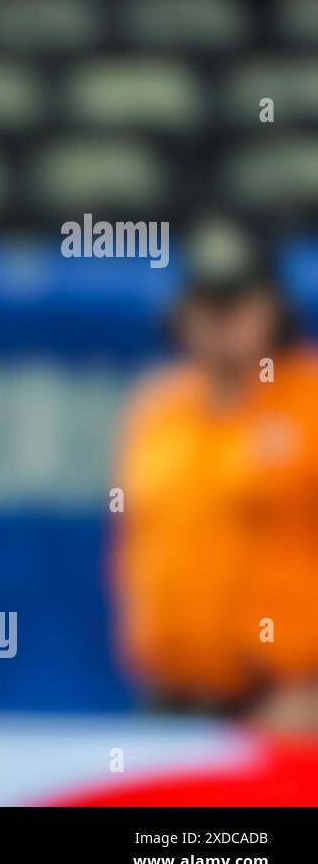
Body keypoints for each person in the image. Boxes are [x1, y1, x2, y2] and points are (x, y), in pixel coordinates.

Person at [112, 217, 318, 731]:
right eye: (205, 305)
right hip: (168, 704)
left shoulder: (309, 403)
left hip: (281, 709)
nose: (220, 322)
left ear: (274, 310)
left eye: (236, 304)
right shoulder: (159, 408)